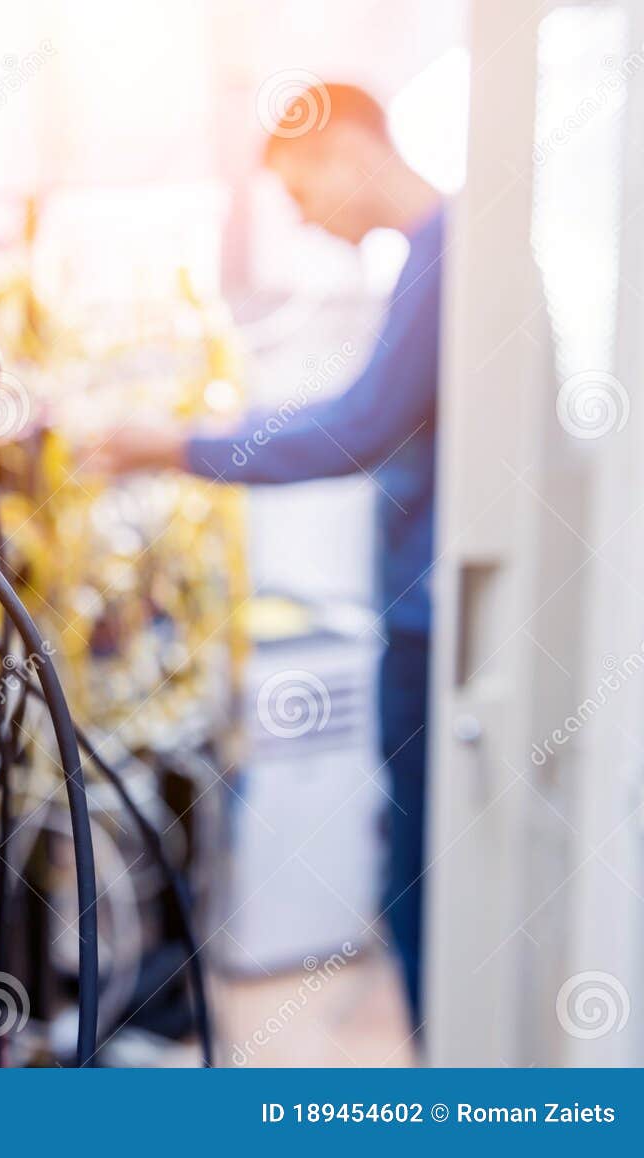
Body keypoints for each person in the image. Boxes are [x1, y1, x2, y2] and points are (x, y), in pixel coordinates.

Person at [93, 83, 443, 1028]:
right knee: (408, 853)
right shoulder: (432, 256)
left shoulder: (449, 253)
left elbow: (357, 426)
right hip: (416, 612)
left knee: (422, 869)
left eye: (296, 192)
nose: (302, 217)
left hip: (434, 621)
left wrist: (169, 445)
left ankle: (458, 1078)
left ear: (342, 147)